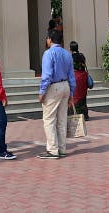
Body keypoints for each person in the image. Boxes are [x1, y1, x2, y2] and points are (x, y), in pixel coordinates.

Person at [37, 29, 75, 159]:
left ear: (50, 39)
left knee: (49, 119)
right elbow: (71, 75)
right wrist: (72, 93)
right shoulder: (67, 54)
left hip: (54, 87)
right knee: (62, 119)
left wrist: (42, 92)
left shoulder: (48, 54)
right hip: (65, 86)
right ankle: (62, 148)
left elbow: (46, 76)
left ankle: (53, 150)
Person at [69, 51, 91, 121]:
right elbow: (90, 85)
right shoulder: (85, 74)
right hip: (83, 106)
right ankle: (85, 116)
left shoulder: (70, 75)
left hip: (72, 106)